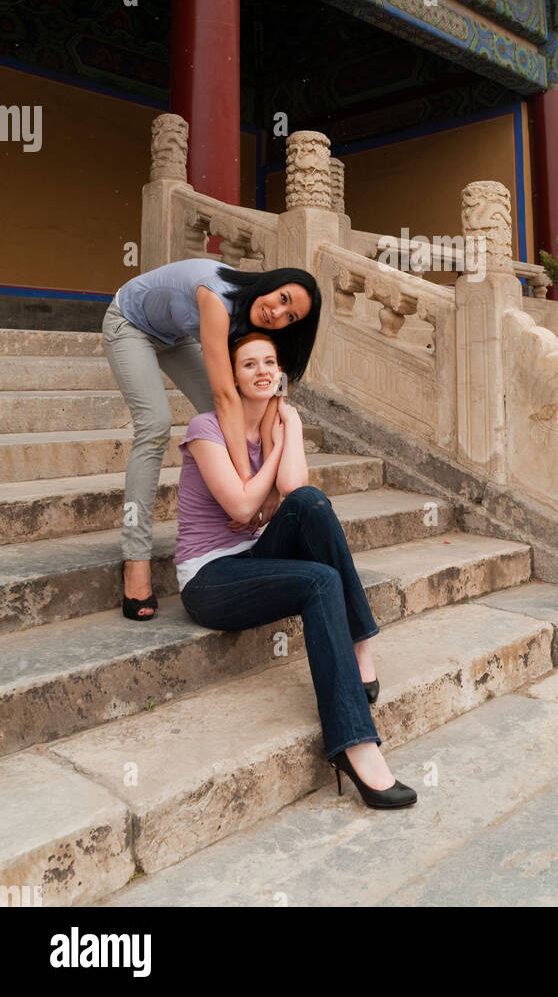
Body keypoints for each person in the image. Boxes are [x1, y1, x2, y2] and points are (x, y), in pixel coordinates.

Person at [176, 330, 417, 810]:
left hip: (254, 555)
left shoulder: (283, 417)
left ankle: (359, 644)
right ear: (232, 376)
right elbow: (243, 507)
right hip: (211, 579)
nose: (263, 371)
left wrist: (288, 425)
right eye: (249, 364)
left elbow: (294, 486)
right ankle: (355, 746)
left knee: (311, 502)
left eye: (270, 361)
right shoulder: (205, 429)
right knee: (319, 581)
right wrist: (265, 479)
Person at [101, 258, 320, 621]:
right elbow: (224, 397)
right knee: (156, 425)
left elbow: (273, 396)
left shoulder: (259, 320)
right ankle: (135, 557)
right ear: (271, 282)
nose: (277, 314)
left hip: (176, 334)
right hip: (130, 322)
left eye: (290, 316)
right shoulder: (217, 297)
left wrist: (272, 491)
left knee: (241, 412)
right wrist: (249, 483)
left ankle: (237, 507)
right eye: (282, 298)